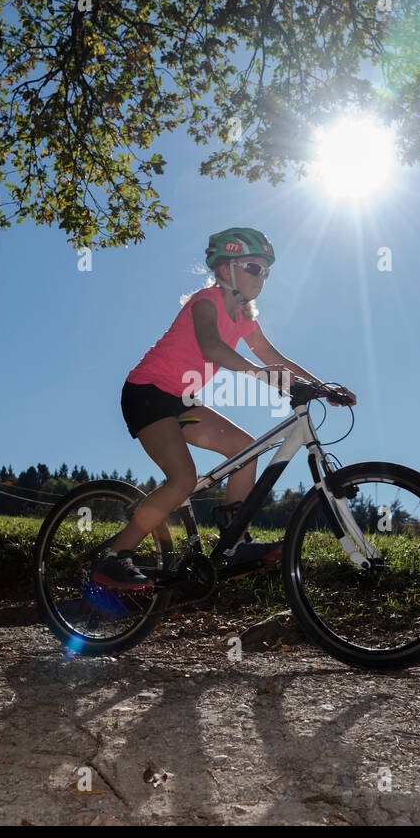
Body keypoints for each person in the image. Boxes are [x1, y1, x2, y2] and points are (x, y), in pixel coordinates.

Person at [94, 226, 357, 590]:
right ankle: (114, 558)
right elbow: (211, 347)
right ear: (224, 269)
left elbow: (269, 353)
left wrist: (321, 385)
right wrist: (260, 375)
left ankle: (235, 544)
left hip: (182, 399)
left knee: (246, 450)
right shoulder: (206, 301)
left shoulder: (244, 317)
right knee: (183, 478)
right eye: (253, 267)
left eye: (266, 270)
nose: (261, 277)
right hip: (147, 393)